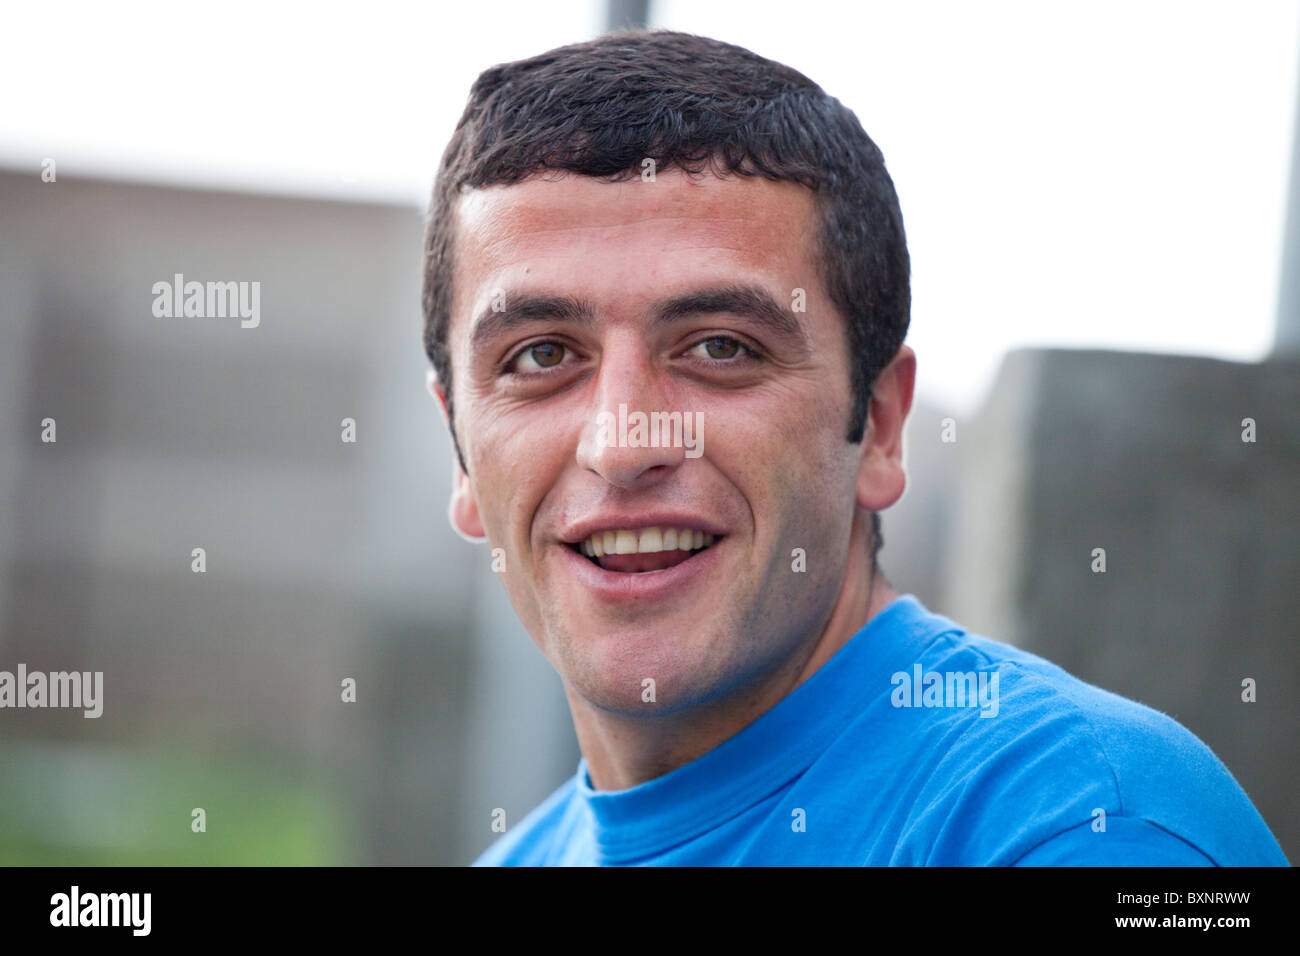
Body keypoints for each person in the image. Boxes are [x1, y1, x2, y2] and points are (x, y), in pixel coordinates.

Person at [420, 28, 1288, 866]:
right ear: (460, 449)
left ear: (877, 423)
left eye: (721, 347)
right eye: (539, 356)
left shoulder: (1089, 830)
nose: (623, 443)